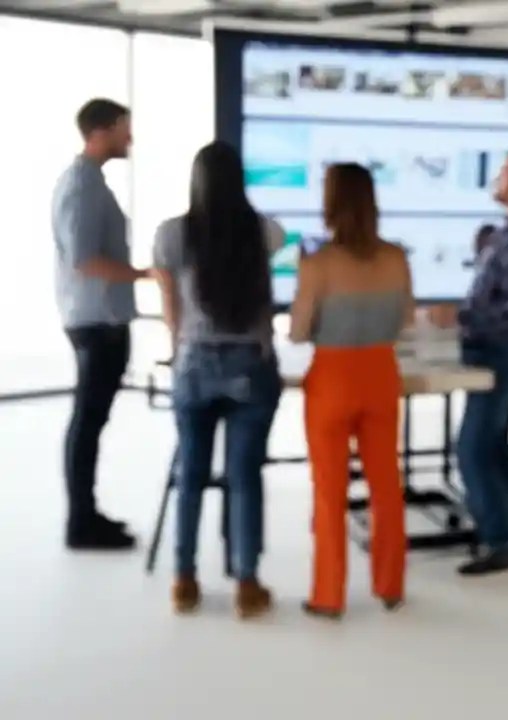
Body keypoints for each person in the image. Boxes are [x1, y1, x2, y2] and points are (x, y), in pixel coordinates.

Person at [152, 141, 285, 617]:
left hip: (194, 362)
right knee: (244, 477)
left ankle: (184, 581)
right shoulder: (264, 231)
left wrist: (182, 343)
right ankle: (247, 586)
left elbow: (171, 310)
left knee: (190, 475)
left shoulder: (171, 235)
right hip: (250, 364)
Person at [290, 163, 412, 618]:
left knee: (329, 489)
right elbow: (404, 321)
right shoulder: (396, 257)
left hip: (333, 378)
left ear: (331, 204)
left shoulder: (319, 263)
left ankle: (328, 595)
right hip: (381, 373)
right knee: (386, 486)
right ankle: (391, 585)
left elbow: (299, 332)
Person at [430, 150, 508, 576]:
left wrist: (460, 318)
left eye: (505, 171)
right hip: (488, 351)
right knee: (494, 449)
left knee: (474, 450)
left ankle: (499, 541)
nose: (497, 177)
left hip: (501, 353)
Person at [52, 98, 149, 551]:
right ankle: (81, 524)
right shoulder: (82, 187)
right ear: (102, 130)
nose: (129, 137)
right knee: (87, 422)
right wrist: (145, 274)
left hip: (99, 318)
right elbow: (84, 259)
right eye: (124, 128)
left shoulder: (90, 183)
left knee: (89, 421)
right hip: (96, 321)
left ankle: (86, 516)